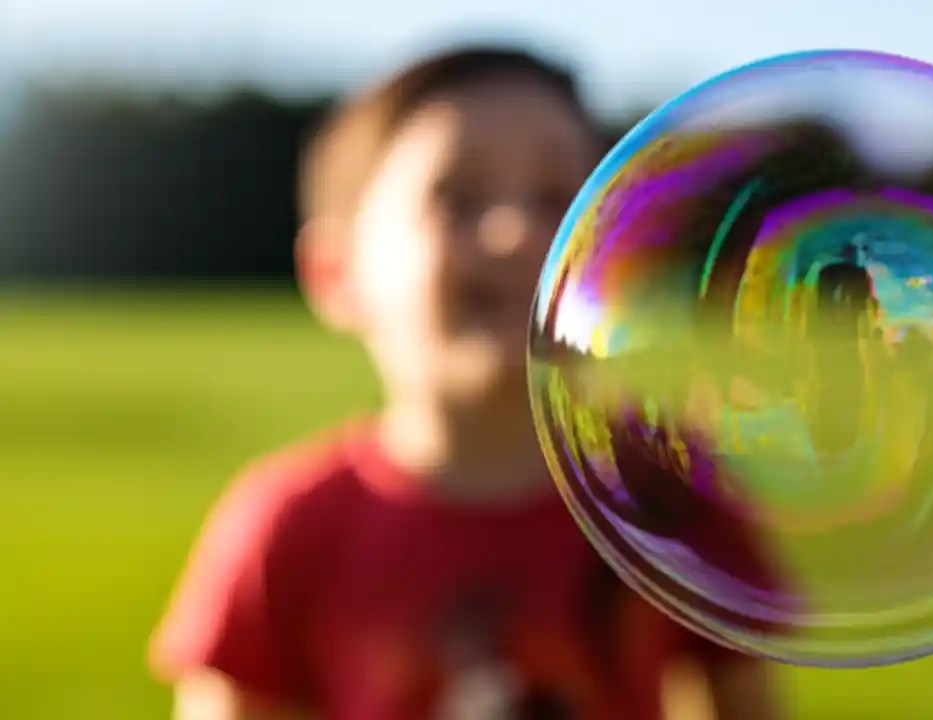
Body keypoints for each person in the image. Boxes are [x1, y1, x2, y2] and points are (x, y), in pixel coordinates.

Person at [149, 45, 781, 720]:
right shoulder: (286, 528)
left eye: (556, 199)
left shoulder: (667, 494)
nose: (516, 232)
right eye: (457, 197)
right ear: (337, 273)